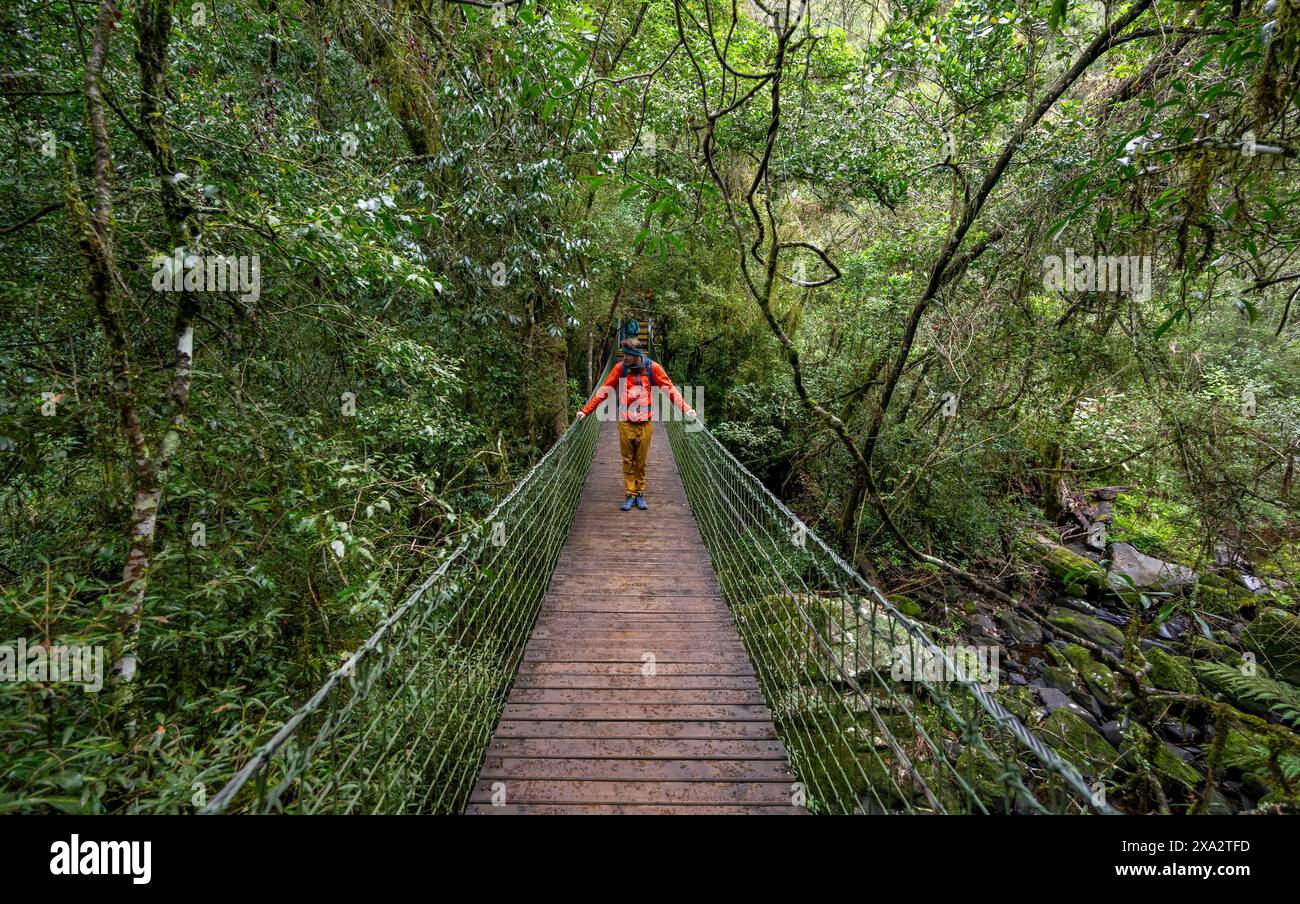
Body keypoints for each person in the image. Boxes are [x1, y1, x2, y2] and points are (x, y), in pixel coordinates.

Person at [575, 337, 695, 510]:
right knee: (627, 459)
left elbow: (670, 390)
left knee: (641, 461)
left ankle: (640, 493)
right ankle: (630, 494)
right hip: (625, 422)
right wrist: (586, 411)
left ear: (637, 354)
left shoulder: (653, 368)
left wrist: (686, 409)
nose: (624, 358)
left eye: (627, 356)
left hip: (645, 423)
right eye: (623, 355)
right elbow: (604, 391)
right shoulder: (620, 368)